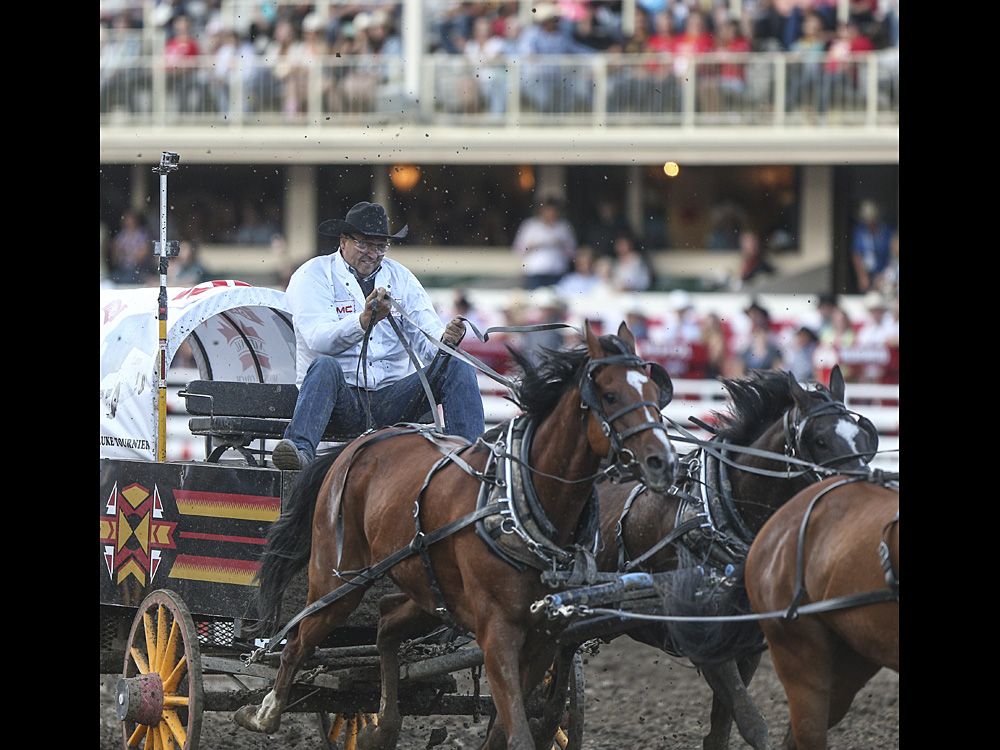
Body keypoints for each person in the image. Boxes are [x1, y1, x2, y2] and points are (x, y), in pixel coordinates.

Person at [271, 202, 486, 470]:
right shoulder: (312, 275)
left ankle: (469, 459)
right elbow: (319, 340)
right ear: (344, 241)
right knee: (325, 366)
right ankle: (299, 450)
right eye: (364, 244)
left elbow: (427, 342)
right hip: (339, 401)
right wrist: (362, 322)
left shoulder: (401, 278)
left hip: (390, 400)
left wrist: (446, 340)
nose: (372, 254)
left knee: (456, 365)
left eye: (380, 246)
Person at [511, 197, 577, 289]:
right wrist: (533, 245)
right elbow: (518, 250)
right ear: (541, 211)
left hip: (557, 272)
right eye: (547, 210)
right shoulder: (530, 225)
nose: (550, 213)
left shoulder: (564, 227)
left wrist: (561, 244)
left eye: (553, 211)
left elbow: (573, 253)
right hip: (534, 272)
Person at [851, 200, 894, 292]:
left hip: (885, 272)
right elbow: (857, 254)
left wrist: (885, 274)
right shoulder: (860, 232)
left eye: (871, 219)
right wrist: (862, 276)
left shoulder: (886, 232)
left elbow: (893, 254)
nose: (869, 222)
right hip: (867, 272)